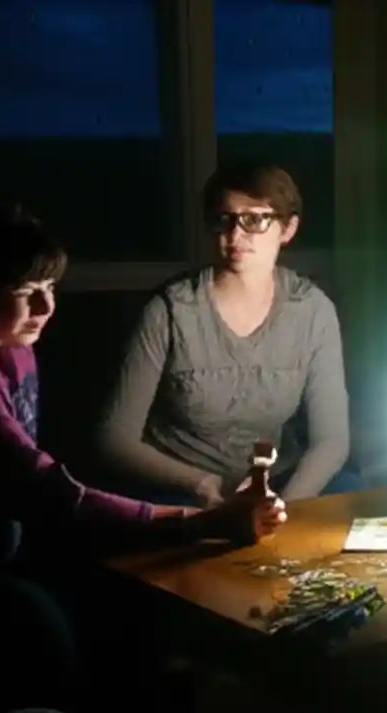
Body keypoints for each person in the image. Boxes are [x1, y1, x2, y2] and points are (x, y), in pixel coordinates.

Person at [0, 197, 286, 713]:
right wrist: (202, 522)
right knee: (55, 637)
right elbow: (43, 487)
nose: (45, 308)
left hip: (13, 545)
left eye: (50, 289)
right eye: (24, 293)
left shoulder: (13, 345)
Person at [97, 160, 358, 506]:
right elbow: (114, 439)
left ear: (287, 228)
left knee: (352, 495)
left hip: (275, 485)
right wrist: (200, 485)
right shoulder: (171, 310)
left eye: (254, 219)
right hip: (182, 488)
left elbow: (332, 440)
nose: (235, 236)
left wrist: (287, 505)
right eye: (224, 219)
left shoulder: (312, 311)